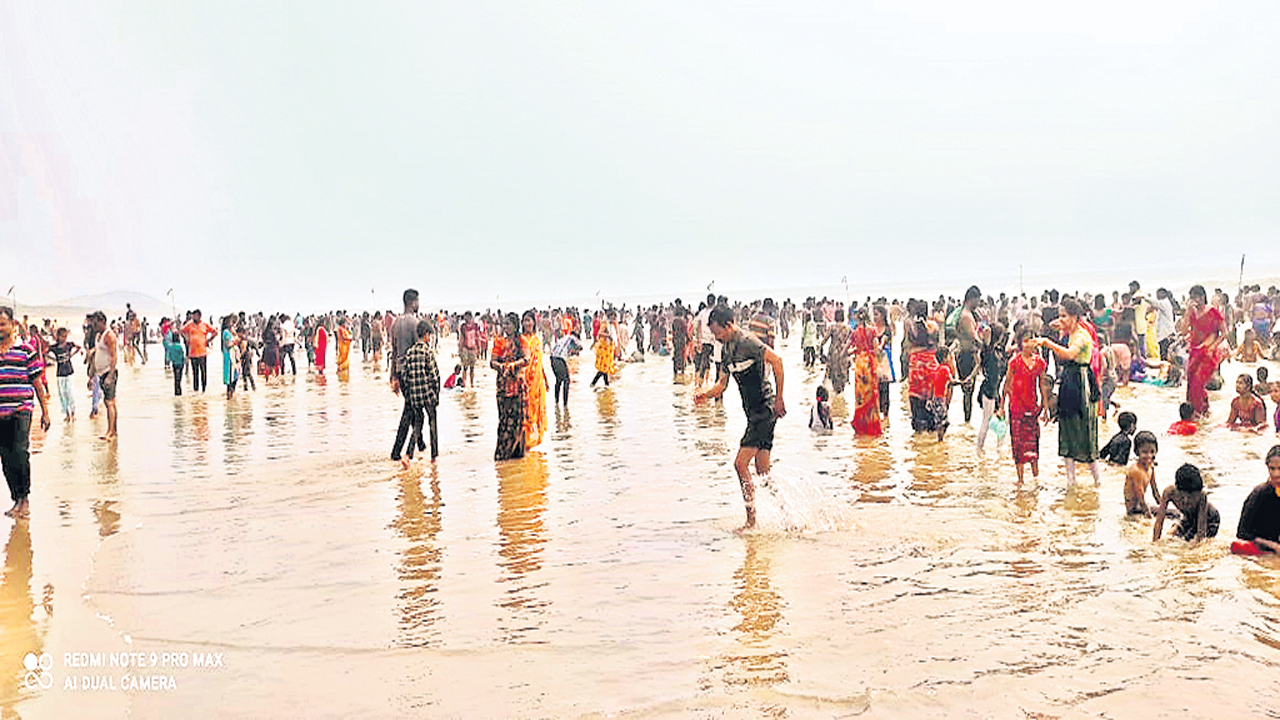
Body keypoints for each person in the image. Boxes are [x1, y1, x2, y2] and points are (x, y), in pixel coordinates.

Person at [695, 305, 786, 529]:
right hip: (753, 414)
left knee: (740, 464)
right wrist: (704, 394)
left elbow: (777, 361)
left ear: (729, 325)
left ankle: (751, 522)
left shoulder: (748, 341)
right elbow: (722, 385)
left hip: (764, 409)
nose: (716, 338)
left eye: (717, 333)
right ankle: (788, 515)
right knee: (763, 473)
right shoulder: (726, 350)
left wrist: (779, 399)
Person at [1036, 297, 1101, 487]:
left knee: (1085, 431)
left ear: (1075, 317)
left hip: (1081, 382)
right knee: (1066, 428)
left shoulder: (1081, 336)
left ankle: (1097, 481)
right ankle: (1070, 481)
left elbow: (1070, 354)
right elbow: (1054, 324)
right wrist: (1060, 323)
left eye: (1065, 316)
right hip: (1068, 381)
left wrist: (1047, 343)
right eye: (1060, 315)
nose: (1061, 319)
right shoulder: (1069, 331)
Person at [1, 306, 51, 519]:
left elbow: (37, 383)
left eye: (2, 324)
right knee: (6, 458)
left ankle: (25, 499)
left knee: (20, 453)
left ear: (12, 325)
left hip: (22, 409)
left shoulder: (25, 349)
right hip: (1, 412)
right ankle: (16, 499)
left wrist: (45, 411)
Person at [1000, 325, 1048, 484]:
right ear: (1020, 343)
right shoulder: (1014, 362)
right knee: (1018, 445)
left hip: (1032, 408)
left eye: (1032, 340)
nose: (1029, 344)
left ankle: (1035, 479)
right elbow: (1007, 384)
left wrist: (1045, 407)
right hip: (1016, 408)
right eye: (1026, 341)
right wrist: (1001, 406)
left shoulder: (1039, 362)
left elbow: (1042, 385)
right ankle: (1020, 481)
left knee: (1034, 444)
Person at [1179, 285, 1227, 419]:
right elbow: (1183, 331)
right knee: (1190, 383)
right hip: (1194, 351)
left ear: (1202, 297)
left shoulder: (1213, 312)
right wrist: (1187, 312)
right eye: (1192, 298)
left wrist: (1213, 347)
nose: (1194, 300)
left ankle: (1198, 412)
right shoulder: (1192, 313)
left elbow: (1224, 333)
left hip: (1208, 352)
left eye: (1196, 297)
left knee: (1198, 383)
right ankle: (1200, 411)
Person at [398, 320, 441, 467]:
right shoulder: (428, 352)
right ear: (426, 335)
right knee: (432, 422)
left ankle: (408, 455)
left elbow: (405, 376)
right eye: (429, 335)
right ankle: (434, 456)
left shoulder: (410, 352)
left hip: (415, 396)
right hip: (428, 394)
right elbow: (435, 376)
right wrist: (436, 394)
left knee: (417, 424)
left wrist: (410, 394)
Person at [491, 313, 529, 461]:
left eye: (508, 324)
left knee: (518, 422)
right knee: (504, 421)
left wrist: (514, 365)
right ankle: (503, 455)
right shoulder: (499, 341)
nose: (505, 327)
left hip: (518, 386)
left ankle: (517, 456)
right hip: (503, 386)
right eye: (504, 324)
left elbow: (526, 359)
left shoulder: (522, 341)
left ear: (515, 325)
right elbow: (492, 362)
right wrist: (501, 366)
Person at [1153, 463, 1220, 542]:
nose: (1186, 500)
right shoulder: (1169, 492)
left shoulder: (1202, 495)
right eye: (1183, 497)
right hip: (1188, 517)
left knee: (1190, 541)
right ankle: (1177, 526)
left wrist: (1196, 544)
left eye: (1192, 497)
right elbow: (1159, 520)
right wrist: (1155, 542)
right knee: (1177, 538)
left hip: (1209, 518)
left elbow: (1201, 531)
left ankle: (1179, 527)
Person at [1233, 445, 1280, 554]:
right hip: (1261, 549)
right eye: (1272, 469)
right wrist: (1273, 546)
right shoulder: (1258, 495)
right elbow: (1241, 534)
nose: (1276, 474)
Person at [974, 323, 1007, 453]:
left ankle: (999, 448)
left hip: (994, 390)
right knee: (986, 422)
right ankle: (979, 448)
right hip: (989, 391)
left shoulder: (997, 351)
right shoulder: (989, 351)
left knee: (1002, 419)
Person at [849, 308, 882, 436]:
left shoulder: (855, 333)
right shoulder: (872, 331)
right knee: (871, 396)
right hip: (869, 364)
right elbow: (876, 349)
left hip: (859, 365)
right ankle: (872, 425)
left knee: (860, 397)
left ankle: (861, 426)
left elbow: (851, 348)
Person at [520, 310, 549, 450]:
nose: (527, 323)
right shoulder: (521, 339)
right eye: (525, 320)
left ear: (534, 322)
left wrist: (545, 377)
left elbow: (539, 360)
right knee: (527, 409)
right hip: (526, 380)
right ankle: (525, 441)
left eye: (529, 320)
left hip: (538, 381)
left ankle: (534, 441)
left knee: (538, 408)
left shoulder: (537, 339)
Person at [954, 285, 983, 423]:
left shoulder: (968, 313)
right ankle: (967, 422)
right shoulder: (966, 316)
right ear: (971, 300)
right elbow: (974, 337)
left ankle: (967, 421)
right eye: (978, 301)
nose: (979, 304)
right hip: (966, 356)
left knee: (968, 392)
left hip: (966, 355)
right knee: (968, 391)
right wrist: (987, 346)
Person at [88, 312, 118, 440]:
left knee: (109, 402)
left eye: (95, 323)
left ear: (102, 321)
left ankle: (110, 431)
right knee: (109, 402)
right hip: (100, 372)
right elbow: (99, 351)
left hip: (108, 372)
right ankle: (113, 430)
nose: (94, 326)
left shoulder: (109, 335)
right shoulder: (98, 335)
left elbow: (114, 356)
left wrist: (110, 375)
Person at [1123, 431, 1161, 517]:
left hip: (1141, 507)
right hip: (1134, 510)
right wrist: (1149, 516)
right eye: (1145, 452)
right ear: (1137, 452)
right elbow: (1141, 497)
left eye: (1152, 452)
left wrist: (1163, 506)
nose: (1149, 456)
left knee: (1175, 514)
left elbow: (1155, 491)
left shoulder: (1151, 467)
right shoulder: (1136, 470)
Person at [180, 310, 217, 393]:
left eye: (196, 316)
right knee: (195, 373)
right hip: (193, 353)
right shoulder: (189, 324)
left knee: (203, 372)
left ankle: (204, 390)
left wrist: (209, 340)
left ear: (200, 316)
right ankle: (196, 391)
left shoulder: (204, 324)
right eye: (193, 316)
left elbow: (215, 331)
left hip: (202, 352)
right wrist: (186, 338)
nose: (194, 317)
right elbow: (181, 330)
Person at [48, 328, 80, 422]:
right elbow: (45, 352)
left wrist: (72, 355)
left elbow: (78, 347)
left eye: (65, 336)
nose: (64, 338)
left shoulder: (69, 345)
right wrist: (53, 359)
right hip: (60, 373)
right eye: (62, 336)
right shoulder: (54, 347)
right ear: (58, 336)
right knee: (62, 393)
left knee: (70, 392)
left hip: (69, 371)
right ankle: (67, 413)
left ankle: (73, 412)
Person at [929, 346, 961, 441]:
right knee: (944, 423)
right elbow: (951, 381)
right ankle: (940, 440)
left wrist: (930, 400)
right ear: (944, 357)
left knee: (940, 422)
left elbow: (932, 387)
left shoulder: (935, 370)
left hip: (935, 399)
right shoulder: (945, 369)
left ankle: (939, 439)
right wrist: (963, 382)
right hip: (941, 399)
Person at [549, 331, 582, 405]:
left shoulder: (563, 339)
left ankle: (556, 401)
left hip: (552, 359)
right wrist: (578, 350)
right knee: (567, 380)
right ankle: (565, 404)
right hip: (560, 359)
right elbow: (580, 346)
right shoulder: (572, 338)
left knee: (559, 380)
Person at [591, 322, 616, 387]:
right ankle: (593, 383)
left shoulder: (610, 325)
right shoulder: (605, 324)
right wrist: (608, 335)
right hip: (603, 351)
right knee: (603, 369)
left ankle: (606, 384)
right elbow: (599, 333)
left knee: (605, 369)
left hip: (607, 351)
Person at [163, 326, 186, 396]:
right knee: (179, 378)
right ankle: (179, 392)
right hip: (180, 364)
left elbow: (170, 356)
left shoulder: (172, 347)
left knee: (176, 378)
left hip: (175, 364)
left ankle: (176, 392)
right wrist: (184, 363)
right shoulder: (180, 346)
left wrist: (169, 362)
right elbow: (182, 355)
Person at [221, 317, 240, 399]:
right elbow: (228, 344)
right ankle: (229, 394)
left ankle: (231, 393)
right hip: (229, 356)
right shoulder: (226, 332)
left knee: (235, 375)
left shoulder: (230, 332)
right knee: (230, 376)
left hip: (233, 356)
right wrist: (235, 341)